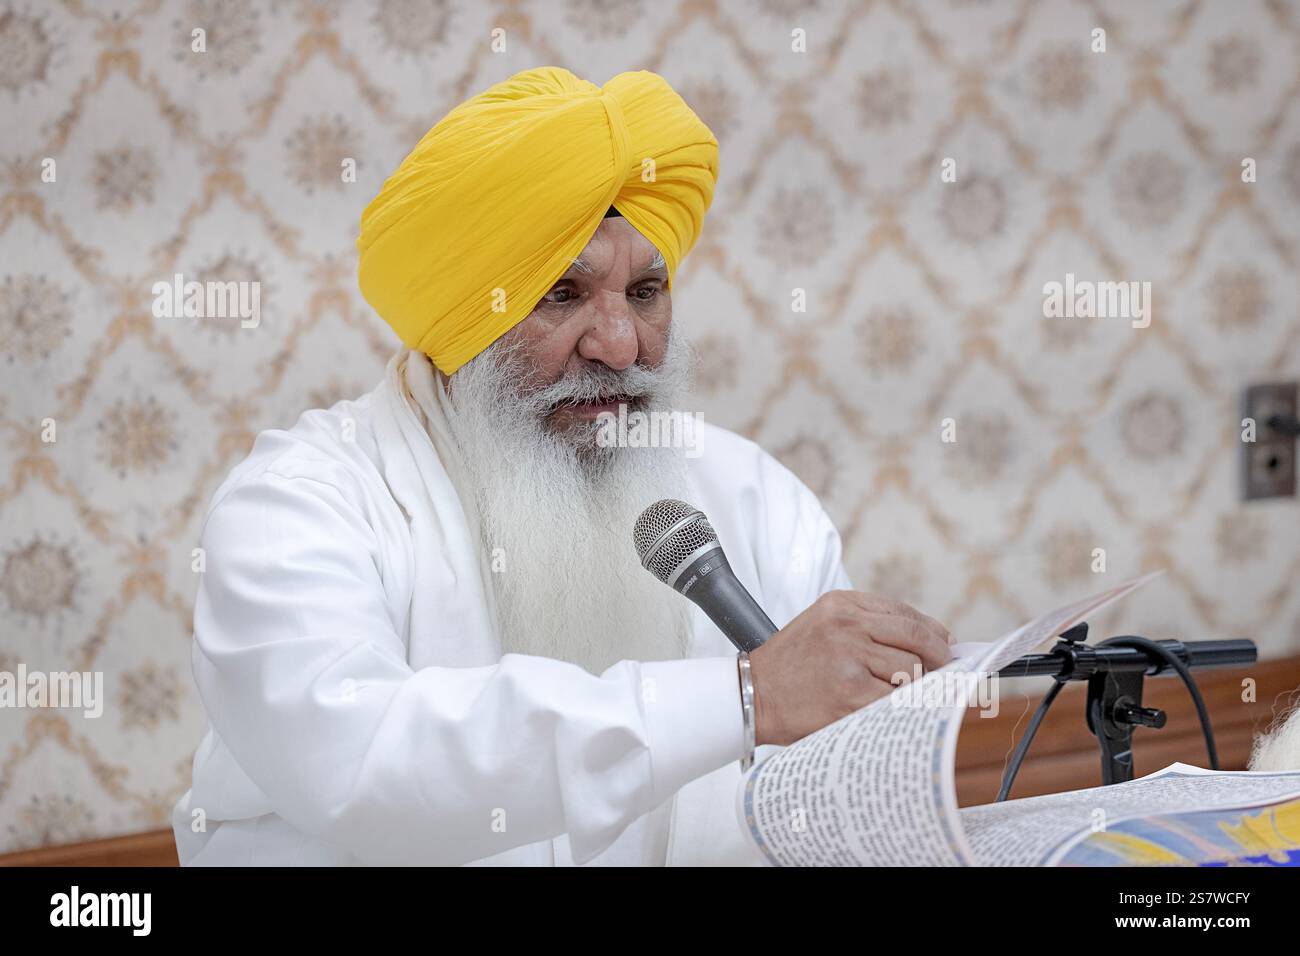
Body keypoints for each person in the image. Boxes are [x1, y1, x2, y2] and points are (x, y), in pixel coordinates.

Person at [172, 66, 951, 866]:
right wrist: (744, 697)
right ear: (461, 325)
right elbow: (360, 767)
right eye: (560, 295)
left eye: (645, 290)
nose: (620, 344)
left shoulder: (755, 501)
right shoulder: (299, 507)